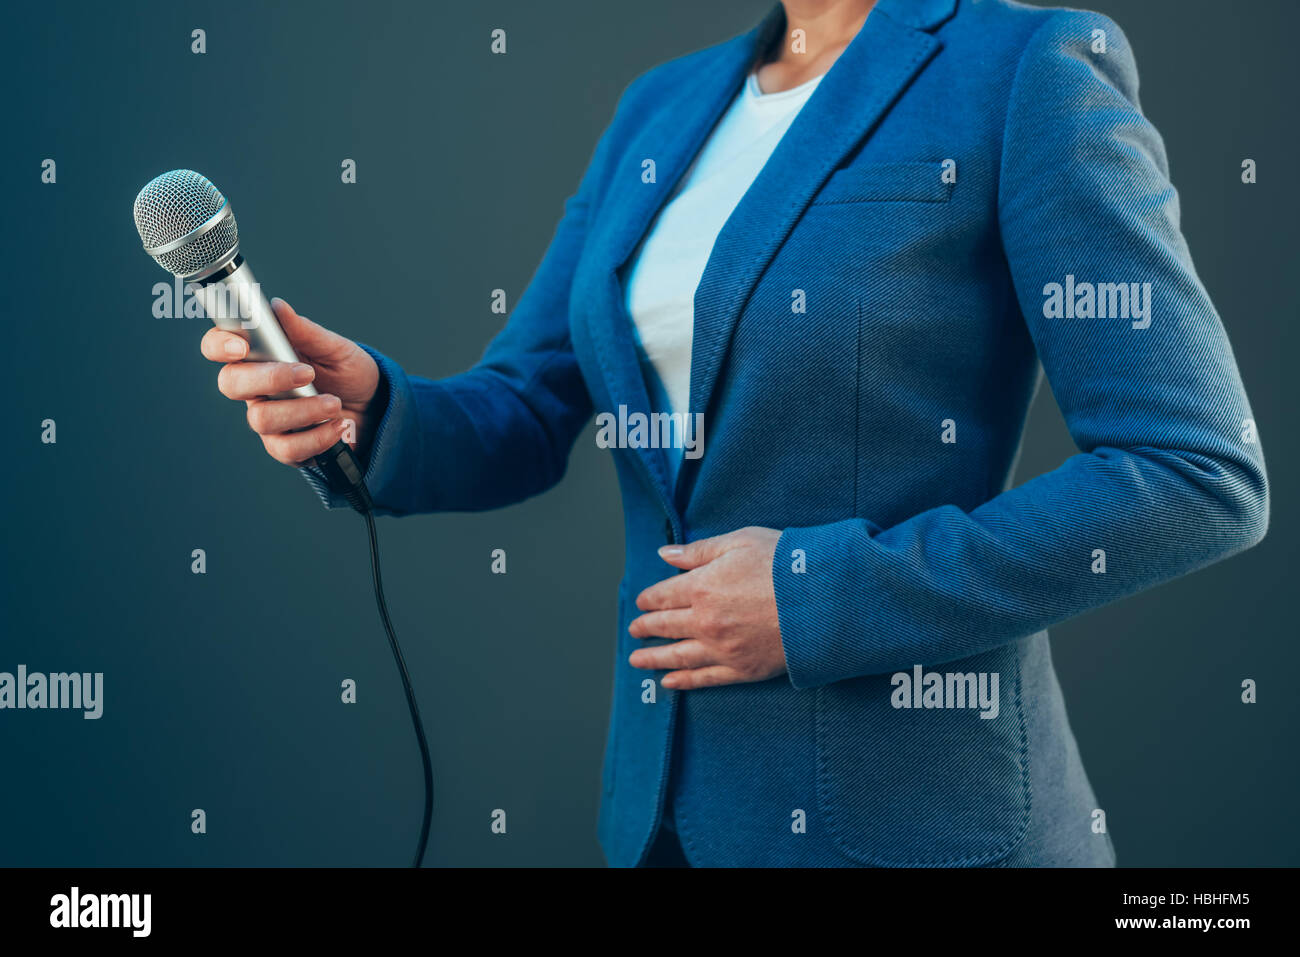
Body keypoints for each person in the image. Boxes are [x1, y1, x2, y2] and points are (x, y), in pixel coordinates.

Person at [200, 0, 1269, 867]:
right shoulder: (661, 108)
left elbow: (1194, 471)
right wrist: (375, 406)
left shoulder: (1026, 65)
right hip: (662, 819)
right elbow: (525, 407)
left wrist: (816, 594)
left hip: (910, 822)